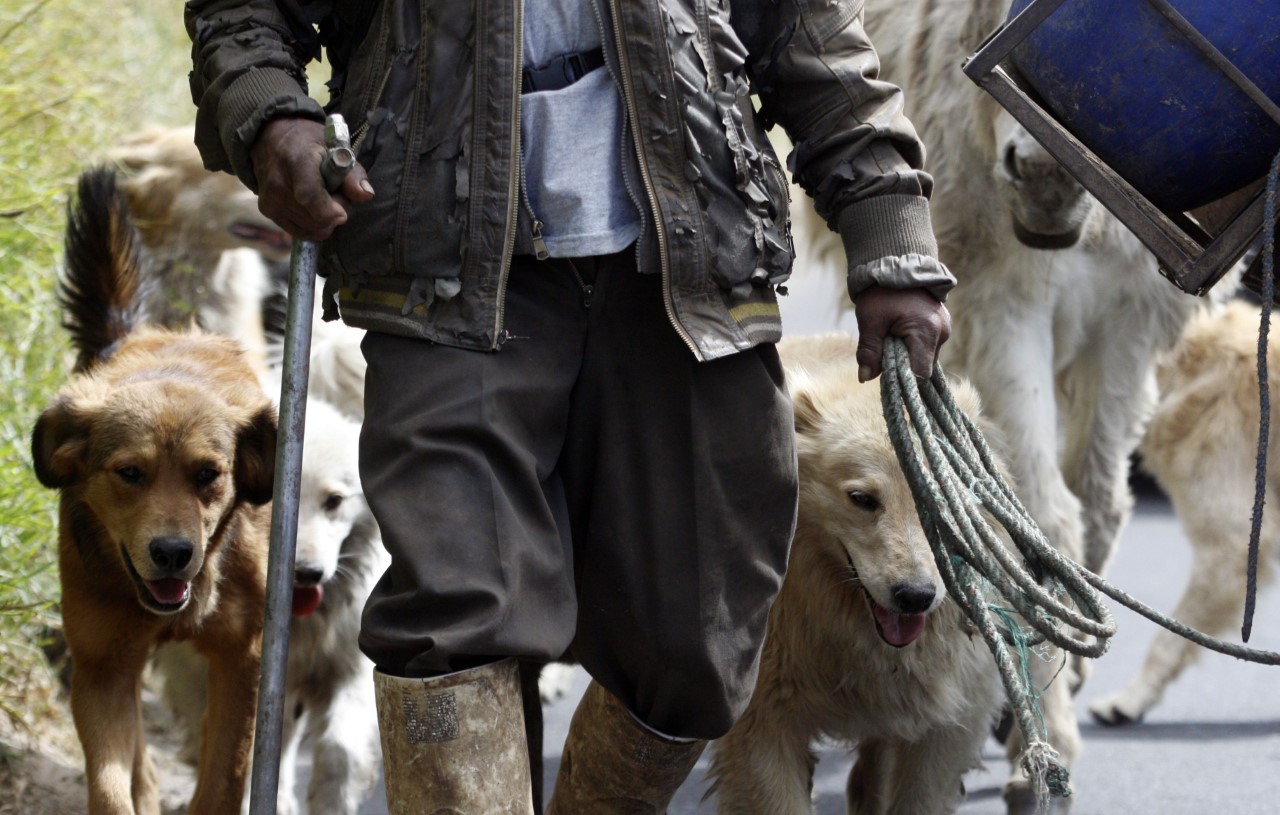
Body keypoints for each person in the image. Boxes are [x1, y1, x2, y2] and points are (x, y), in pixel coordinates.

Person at [184, 0, 954, 812]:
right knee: (457, 608)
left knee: (695, 637)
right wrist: (269, 115)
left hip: (688, 280)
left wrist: (891, 239)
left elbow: (812, 41)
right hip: (446, 275)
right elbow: (244, 13)